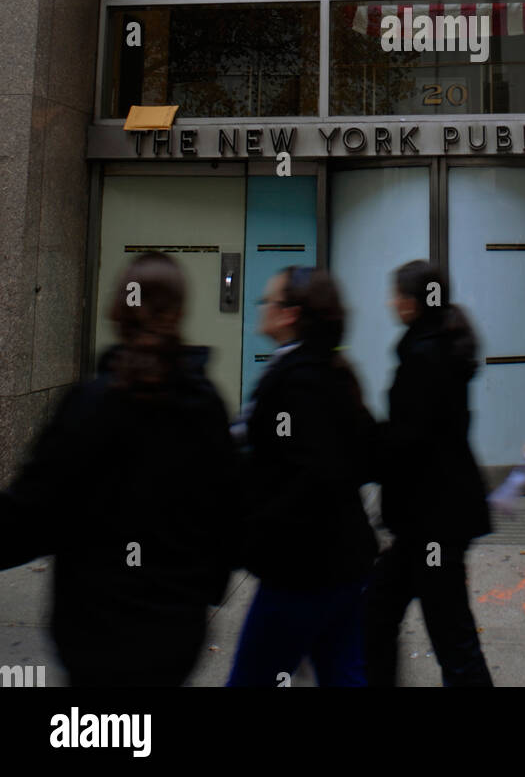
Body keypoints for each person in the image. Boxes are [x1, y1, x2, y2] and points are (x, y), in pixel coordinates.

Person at [0, 253, 235, 687]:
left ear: (116, 311)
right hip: (176, 630)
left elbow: (31, 516)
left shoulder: (89, 404)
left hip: (94, 630)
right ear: (180, 313)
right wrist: (203, 589)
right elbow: (225, 513)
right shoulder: (205, 407)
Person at [227, 266, 377, 687]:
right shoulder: (332, 372)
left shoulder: (298, 381)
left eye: (268, 301)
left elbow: (309, 476)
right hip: (344, 564)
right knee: (344, 674)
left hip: (301, 569)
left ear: (290, 314)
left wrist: (254, 532)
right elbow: (364, 454)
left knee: (252, 679)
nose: (262, 309)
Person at [366, 259, 493, 687]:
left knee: (450, 635)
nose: (390, 302)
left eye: (396, 294)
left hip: (432, 521)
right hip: (431, 518)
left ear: (411, 303)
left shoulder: (425, 354)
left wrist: (362, 449)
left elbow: (409, 437)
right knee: (380, 612)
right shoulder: (441, 344)